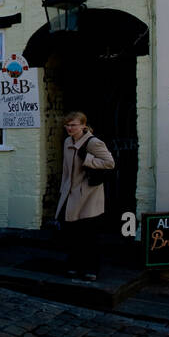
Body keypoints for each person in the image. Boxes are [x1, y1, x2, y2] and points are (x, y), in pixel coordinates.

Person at [54, 110, 115, 281]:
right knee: (72, 233)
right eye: (67, 125)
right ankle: (74, 265)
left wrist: (88, 159)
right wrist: (63, 190)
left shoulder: (93, 143)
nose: (69, 128)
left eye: (73, 125)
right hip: (70, 194)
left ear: (83, 125)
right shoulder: (67, 141)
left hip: (88, 195)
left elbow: (110, 163)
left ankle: (91, 270)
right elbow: (66, 170)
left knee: (89, 235)